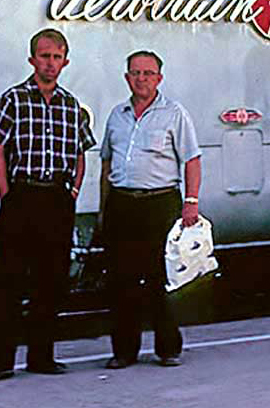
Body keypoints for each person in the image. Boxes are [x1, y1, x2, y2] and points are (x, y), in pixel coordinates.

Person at [0, 28, 96, 383]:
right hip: (21, 197)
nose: (50, 63)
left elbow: (80, 152)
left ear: (65, 61)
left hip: (56, 199)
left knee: (51, 282)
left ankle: (42, 358)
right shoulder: (13, 99)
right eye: (44, 56)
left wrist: (73, 191)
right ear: (32, 60)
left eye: (57, 57)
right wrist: (6, 194)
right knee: (7, 283)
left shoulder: (72, 105)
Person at [99, 50, 201, 369]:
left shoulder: (175, 113)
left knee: (162, 278)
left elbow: (192, 159)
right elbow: (106, 163)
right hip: (122, 204)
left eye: (148, 73)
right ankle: (124, 352)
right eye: (135, 73)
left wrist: (191, 202)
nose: (141, 78)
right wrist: (104, 208)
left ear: (159, 78)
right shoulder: (117, 115)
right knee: (121, 281)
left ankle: (168, 349)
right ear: (126, 77)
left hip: (160, 203)